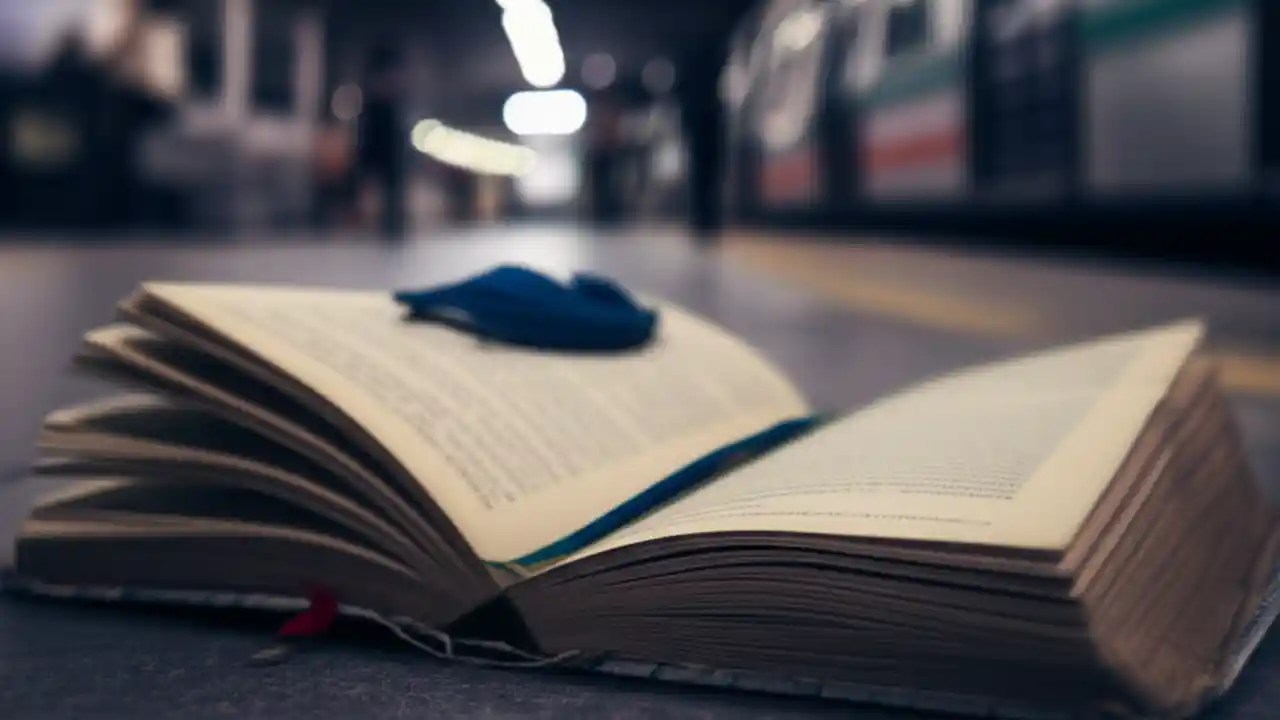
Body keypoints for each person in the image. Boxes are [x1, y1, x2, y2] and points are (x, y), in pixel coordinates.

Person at [357, 43, 407, 238]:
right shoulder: (375, 106)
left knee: (393, 193)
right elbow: (367, 133)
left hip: (392, 157)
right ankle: (387, 226)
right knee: (384, 192)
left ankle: (392, 227)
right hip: (381, 153)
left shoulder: (396, 104)